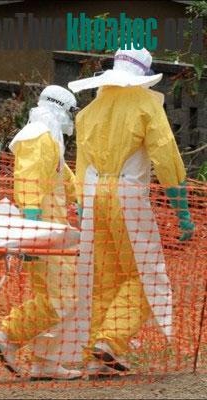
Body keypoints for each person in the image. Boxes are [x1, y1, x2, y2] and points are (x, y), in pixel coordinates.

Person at [67, 47, 195, 374]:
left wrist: (82, 209)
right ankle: (111, 339)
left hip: (95, 197)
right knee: (144, 274)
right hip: (128, 196)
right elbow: (166, 158)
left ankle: (100, 355)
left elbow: (82, 168)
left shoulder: (90, 111)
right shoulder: (146, 105)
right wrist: (182, 212)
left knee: (105, 276)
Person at [0, 85, 82, 380]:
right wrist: (30, 229)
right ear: (61, 108)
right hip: (42, 229)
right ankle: (8, 336)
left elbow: (60, 172)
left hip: (51, 228)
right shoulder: (37, 136)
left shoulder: (48, 137)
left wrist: (77, 200)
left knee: (59, 295)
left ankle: (45, 362)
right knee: (60, 299)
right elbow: (27, 182)